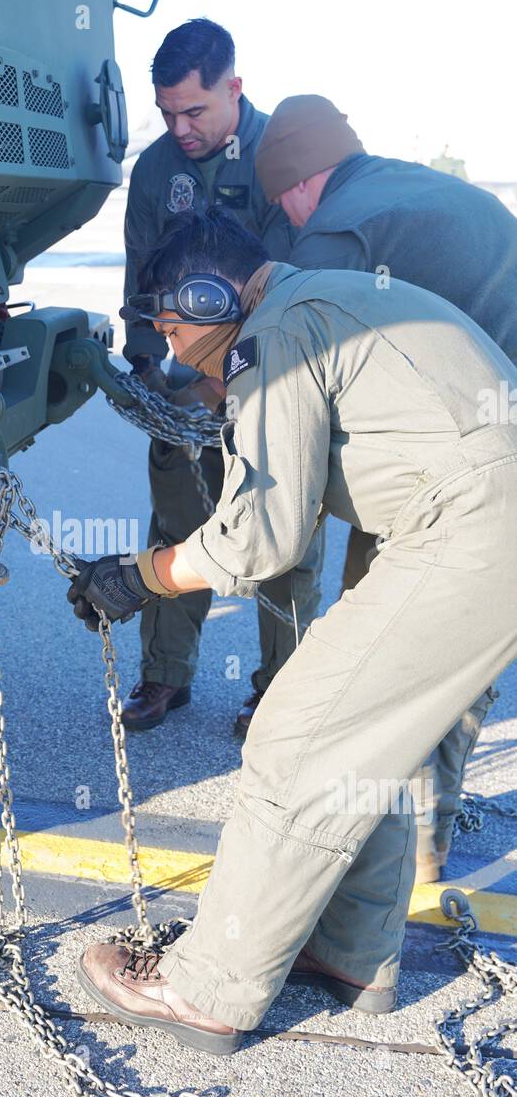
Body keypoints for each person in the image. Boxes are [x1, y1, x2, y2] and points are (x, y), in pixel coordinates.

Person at [67, 207, 517, 1054]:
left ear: (207, 298)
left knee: (298, 736)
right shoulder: (318, 304)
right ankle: (347, 950)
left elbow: (260, 539)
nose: (170, 353)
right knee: (366, 737)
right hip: (479, 522)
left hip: (471, 527)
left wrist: (139, 576)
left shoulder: (273, 334)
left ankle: (206, 989)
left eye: (170, 329)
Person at [241, 93, 517, 879]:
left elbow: (301, 366)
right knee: (472, 643)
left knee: (393, 642)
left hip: (472, 457)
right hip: (490, 428)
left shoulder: (332, 231)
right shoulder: (406, 188)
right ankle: (431, 830)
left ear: (295, 185)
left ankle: (393, 843)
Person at [120, 19, 324, 733]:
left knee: (283, 534)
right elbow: (142, 281)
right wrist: (146, 369)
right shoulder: (155, 172)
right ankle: (164, 678)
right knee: (177, 521)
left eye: (195, 110)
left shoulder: (279, 159)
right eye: (168, 111)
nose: (180, 126)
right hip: (189, 375)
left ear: (234, 88)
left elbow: (294, 291)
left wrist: (222, 385)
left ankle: (280, 691)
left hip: (278, 378)